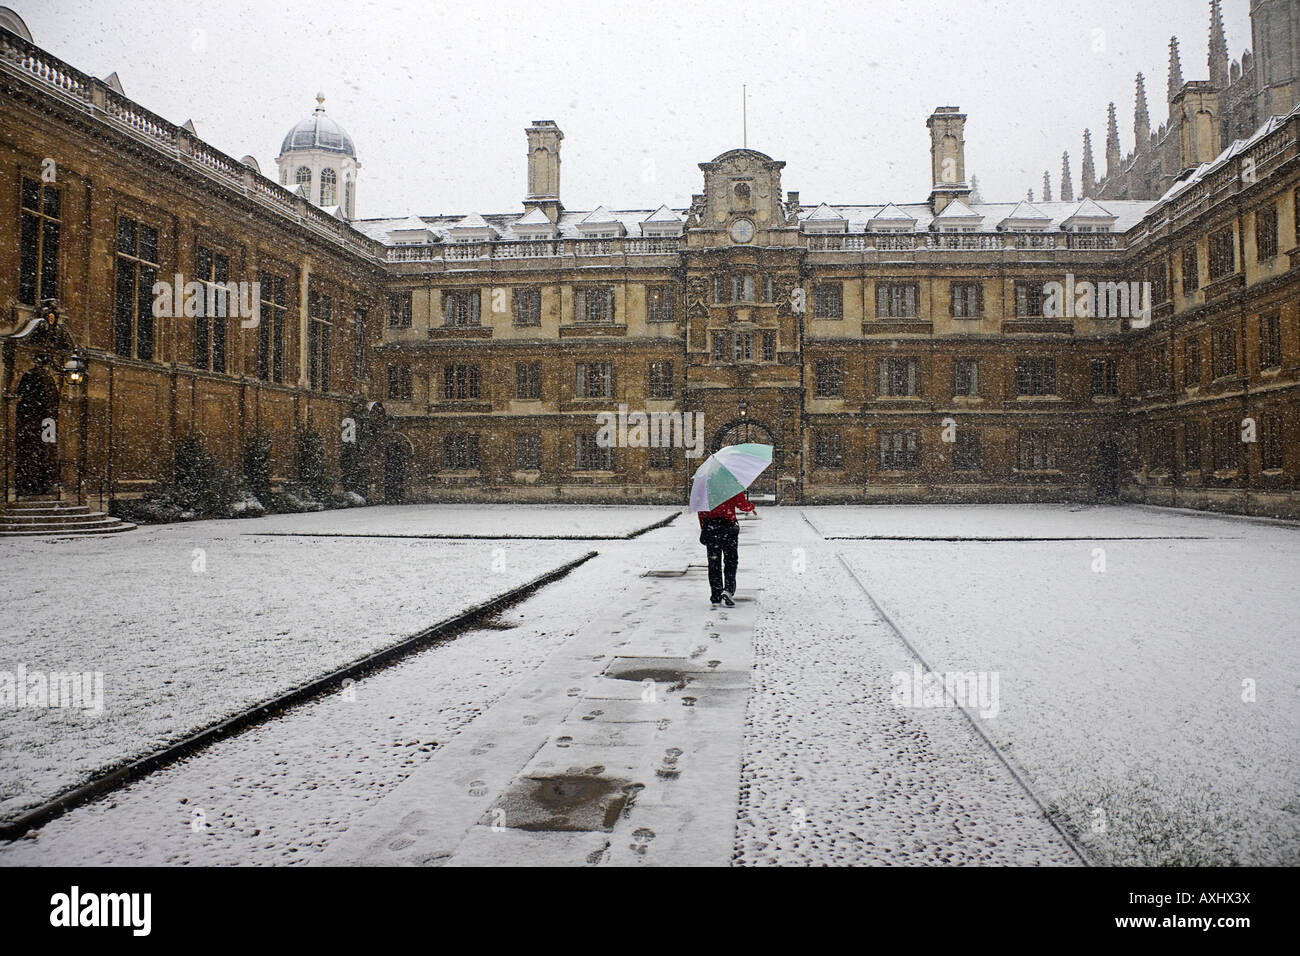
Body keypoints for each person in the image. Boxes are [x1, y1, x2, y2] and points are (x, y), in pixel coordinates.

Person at [697, 491, 756, 606]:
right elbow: (741, 504)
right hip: (728, 527)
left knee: (714, 563)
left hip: (710, 527)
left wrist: (704, 527)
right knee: (731, 560)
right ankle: (728, 590)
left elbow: (700, 511)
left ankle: (716, 594)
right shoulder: (730, 483)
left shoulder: (704, 486)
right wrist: (751, 507)